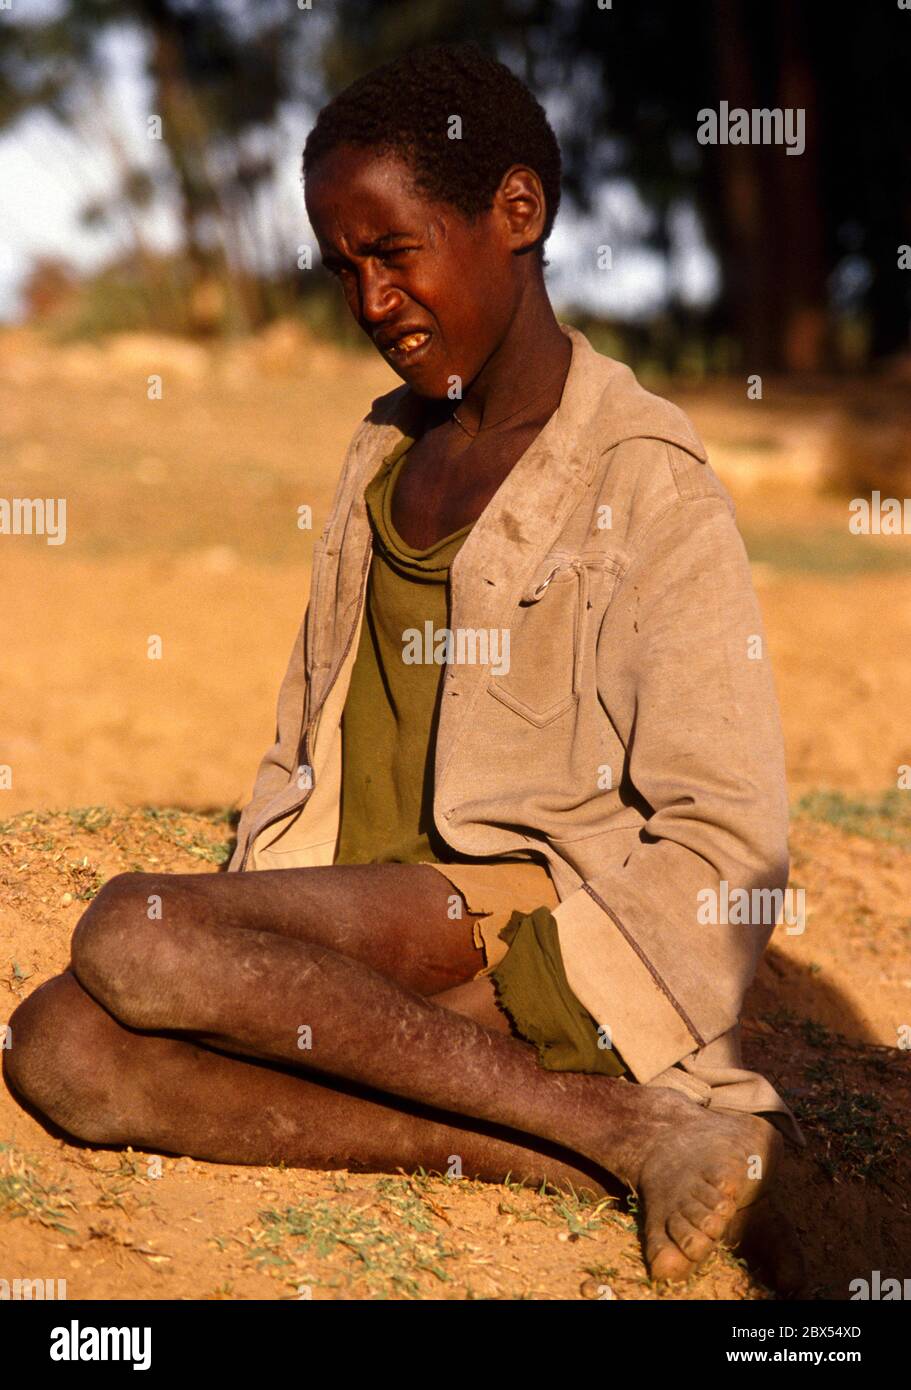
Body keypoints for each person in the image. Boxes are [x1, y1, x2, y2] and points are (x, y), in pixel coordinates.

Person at [5, 41, 803, 1287]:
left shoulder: (643, 479)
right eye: (341, 268)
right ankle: (579, 1157)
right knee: (60, 1048)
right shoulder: (381, 456)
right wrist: (263, 942)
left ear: (516, 212)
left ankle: (619, 1111)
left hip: (527, 944)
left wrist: (581, 984)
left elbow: (729, 824)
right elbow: (299, 747)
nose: (371, 299)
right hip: (369, 940)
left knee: (135, 930)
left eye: (393, 252)